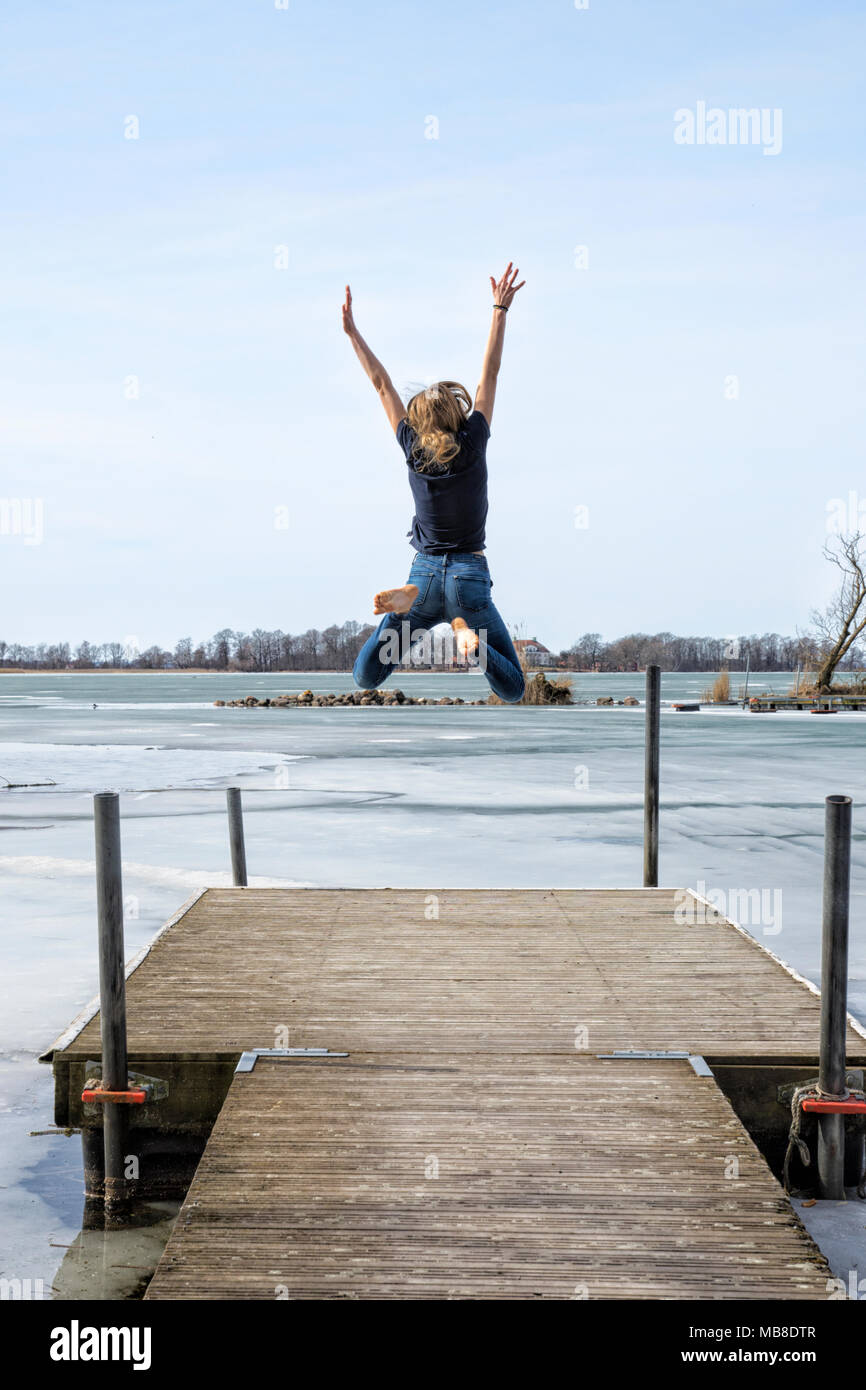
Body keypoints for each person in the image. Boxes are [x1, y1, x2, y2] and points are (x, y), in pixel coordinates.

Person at [342, 262, 526, 703]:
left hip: (421, 576)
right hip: (468, 577)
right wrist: (499, 309)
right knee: (514, 689)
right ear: (456, 414)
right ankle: (470, 641)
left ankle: (408, 601)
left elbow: (381, 384)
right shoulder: (474, 440)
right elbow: (491, 374)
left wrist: (352, 333)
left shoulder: (413, 448)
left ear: (419, 421)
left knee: (365, 678)